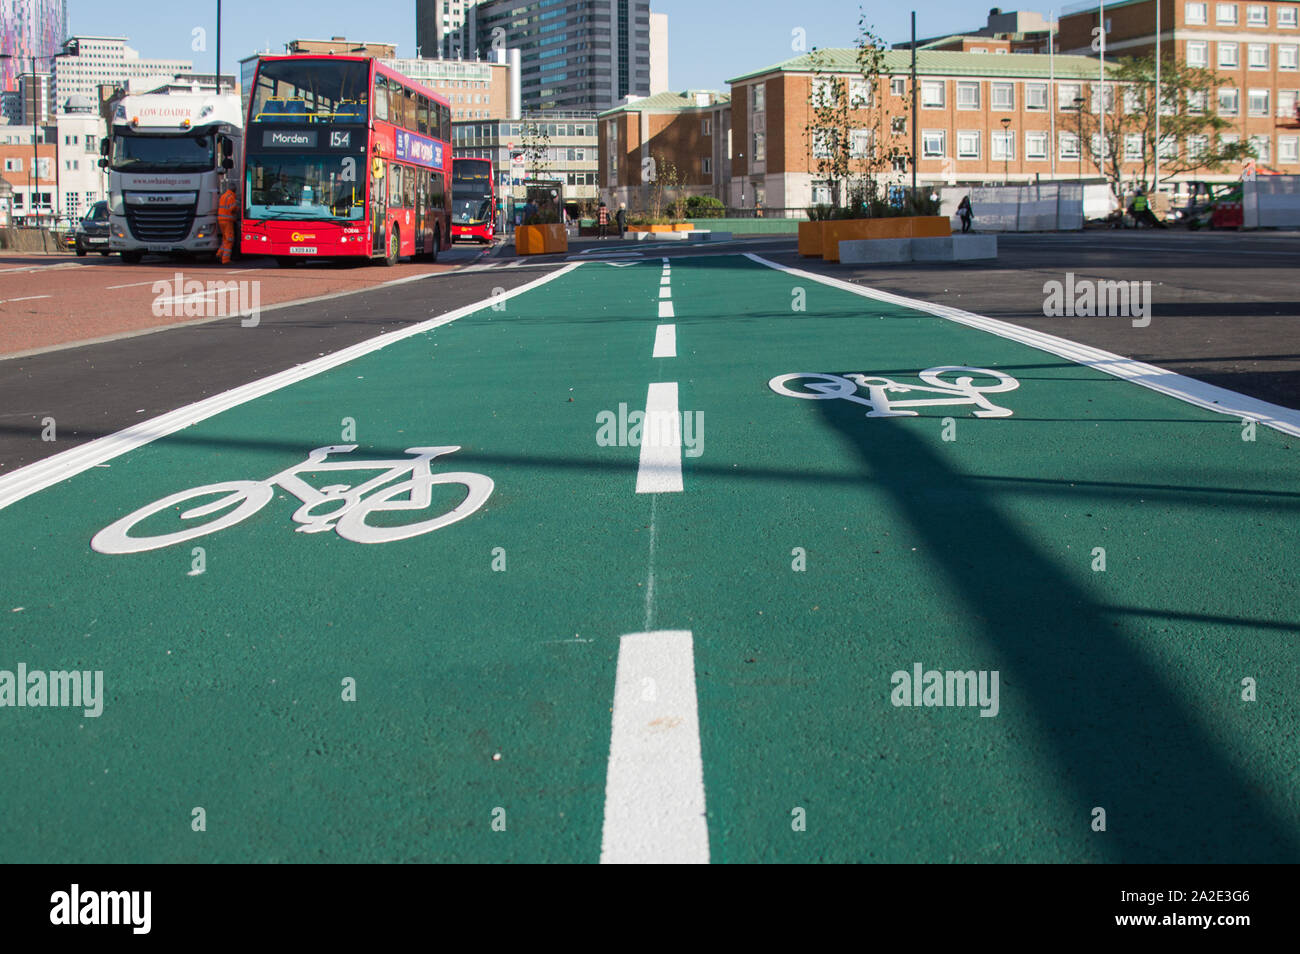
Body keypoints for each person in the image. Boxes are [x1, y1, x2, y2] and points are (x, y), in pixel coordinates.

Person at [217, 176, 238, 265]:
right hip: (228, 220)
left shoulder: (223, 196)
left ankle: (219, 253)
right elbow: (232, 209)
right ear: (234, 190)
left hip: (221, 220)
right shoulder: (231, 197)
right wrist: (238, 208)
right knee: (230, 239)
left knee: (225, 238)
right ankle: (225, 259)